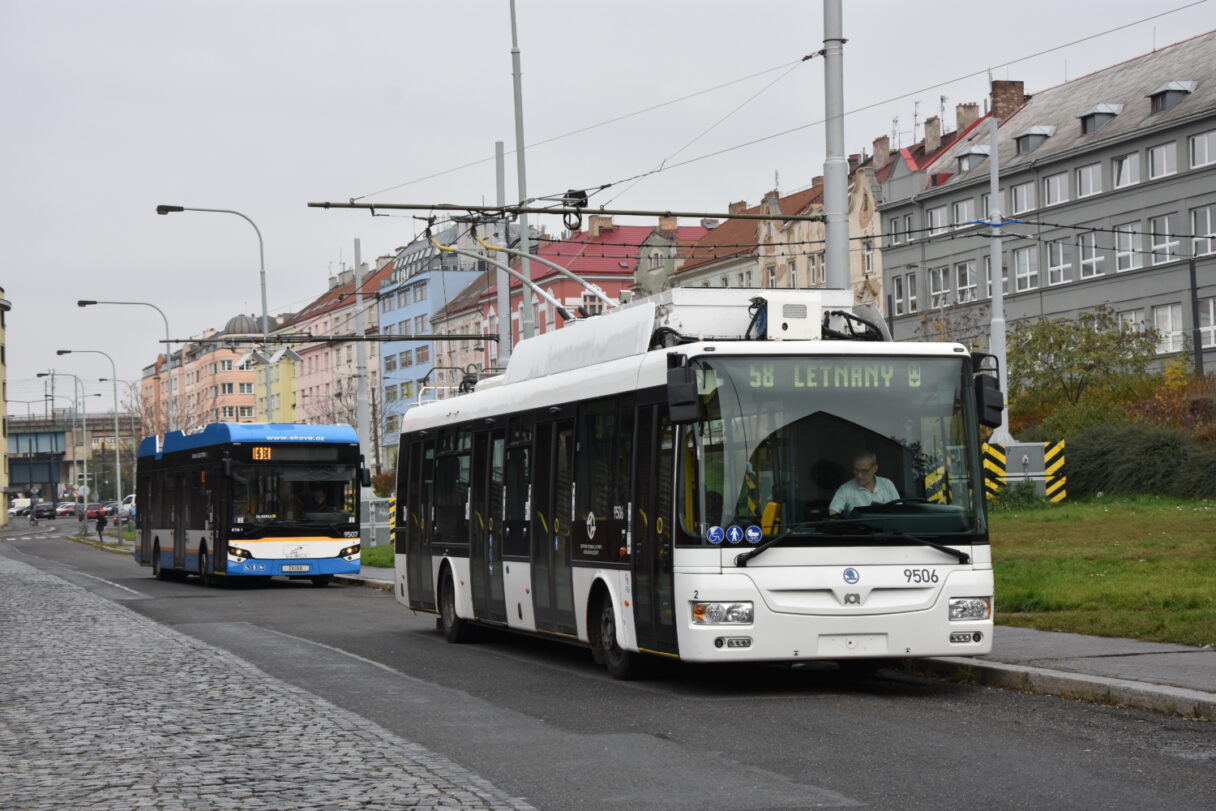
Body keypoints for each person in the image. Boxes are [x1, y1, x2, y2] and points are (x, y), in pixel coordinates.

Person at [829, 450, 899, 515]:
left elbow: (900, 511)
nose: (859, 475)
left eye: (864, 471)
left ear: (875, 468)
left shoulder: (887, 483)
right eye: (856, 470)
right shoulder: (845, 489)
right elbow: (833, 514)